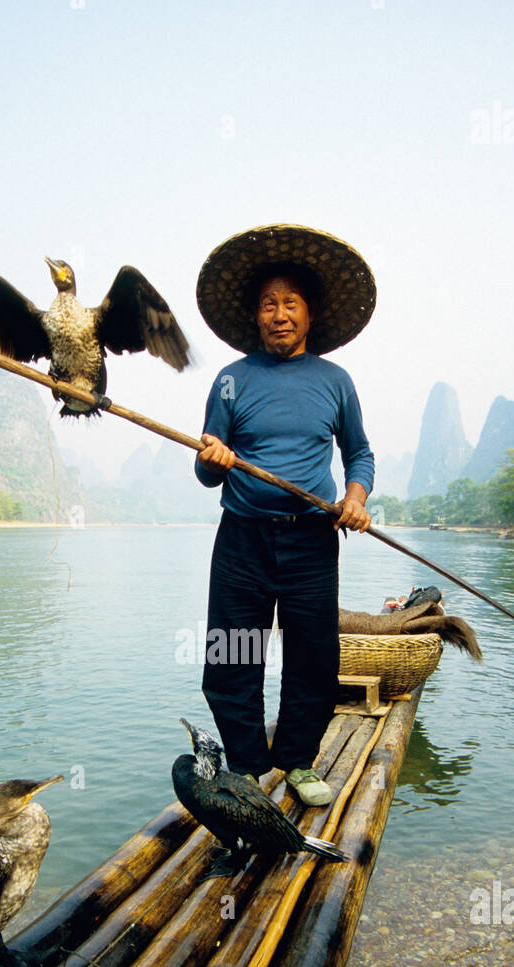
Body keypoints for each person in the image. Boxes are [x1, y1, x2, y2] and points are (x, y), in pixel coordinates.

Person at [193, 224, 377, 807]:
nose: (279, 314)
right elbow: (205, 470)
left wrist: (356, 498)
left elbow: (361, 454)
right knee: (234, 652)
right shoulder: (231, 381)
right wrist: (215, 460)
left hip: (312, 541)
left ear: (310, 312)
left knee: (313, 657)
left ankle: (298, 760)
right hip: (242, 539)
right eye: (269, 304)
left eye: (290, 303)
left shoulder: (335, 381)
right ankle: (247, 767)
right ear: (256, 314)